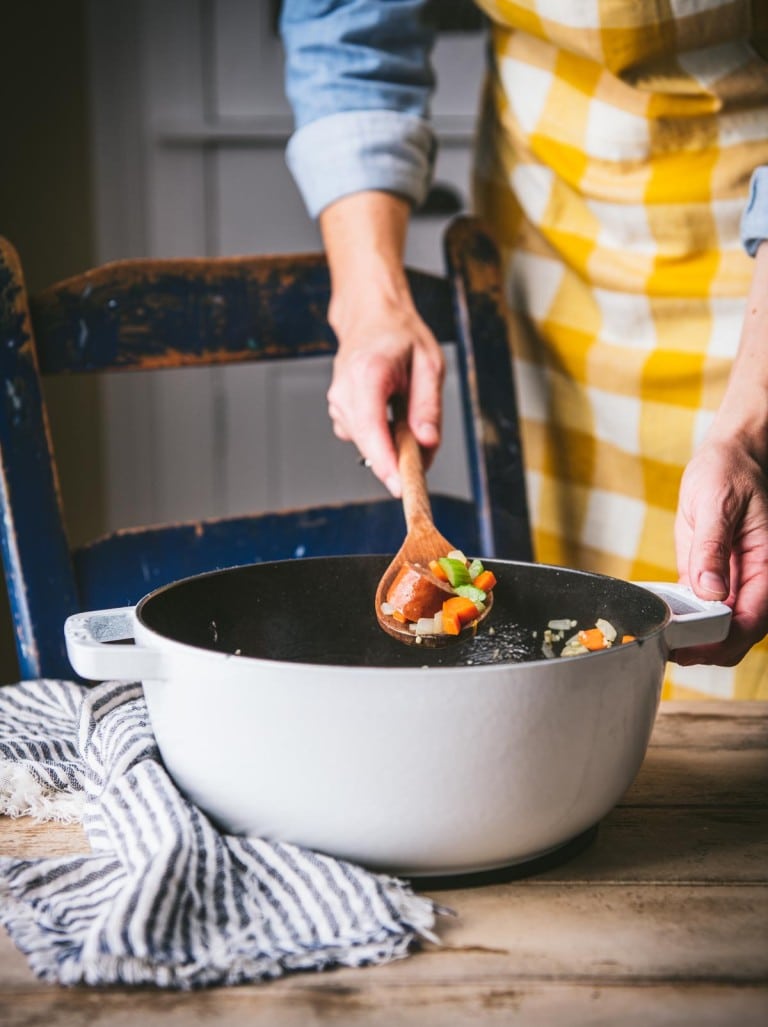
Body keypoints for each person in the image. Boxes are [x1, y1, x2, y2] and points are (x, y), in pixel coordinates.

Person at [279, 0, 768, 700]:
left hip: (752, 278)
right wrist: (369, 298)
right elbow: (350, 26)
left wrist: (752, 422)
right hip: (546, 249)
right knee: (572, 655)